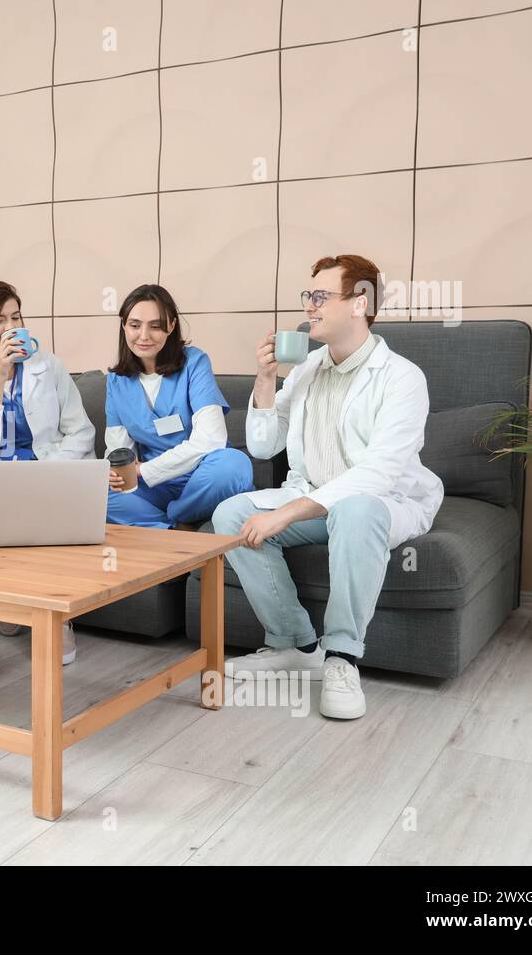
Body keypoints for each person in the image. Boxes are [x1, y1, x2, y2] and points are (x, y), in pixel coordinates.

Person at [212, 254, 444, 720]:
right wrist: (265, 379)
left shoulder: (402, 377)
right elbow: (263, 446)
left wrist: (287, 513)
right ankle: (296, 646)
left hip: (381, 503)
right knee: (230, 515)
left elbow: (379, 473)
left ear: (360, 303)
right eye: (308, 295)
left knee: (355, 509)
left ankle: (341, 657)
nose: (309, 307)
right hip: (312, 495)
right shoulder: (306, 368)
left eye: (321, 296)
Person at [0, 280, 94, 664]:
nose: (10, 327)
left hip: (49, 469)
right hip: (1, 476)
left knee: (37, 499)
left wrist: (46, 471)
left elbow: (81, 431)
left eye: (16, 317)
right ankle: (9, 595)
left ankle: (56, 617)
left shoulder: (50, 366)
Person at [104, 284, 254, 530]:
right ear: (124, 326)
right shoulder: (116, 381)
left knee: (234, 465)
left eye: (155, 326)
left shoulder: (195, 363)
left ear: (171, 326)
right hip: (155, 487)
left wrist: (145, 470)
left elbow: (211, 440)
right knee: (97, 493)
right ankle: (174, 529)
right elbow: (120, 450)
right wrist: (117, 473)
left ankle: (175, 518)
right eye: (135, 325)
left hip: (202, 476)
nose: (144, 336)